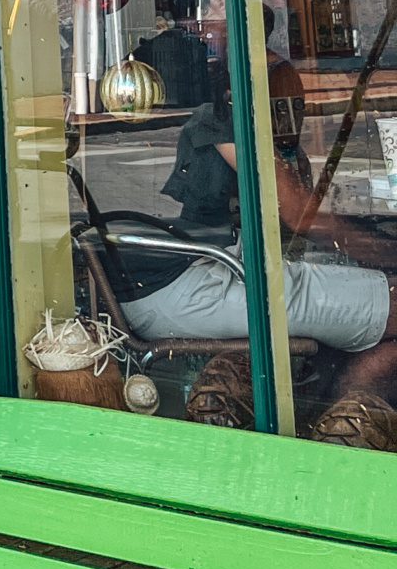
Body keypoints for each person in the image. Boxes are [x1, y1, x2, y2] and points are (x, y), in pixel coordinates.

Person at [116, 70, 397, 404]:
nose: (294, 107)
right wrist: (382, 252)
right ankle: (348, 427)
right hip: (190, 284)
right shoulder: (215, 118)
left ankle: (346, 420)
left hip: (192, 272)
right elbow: (300, 214)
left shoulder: (218, 122)